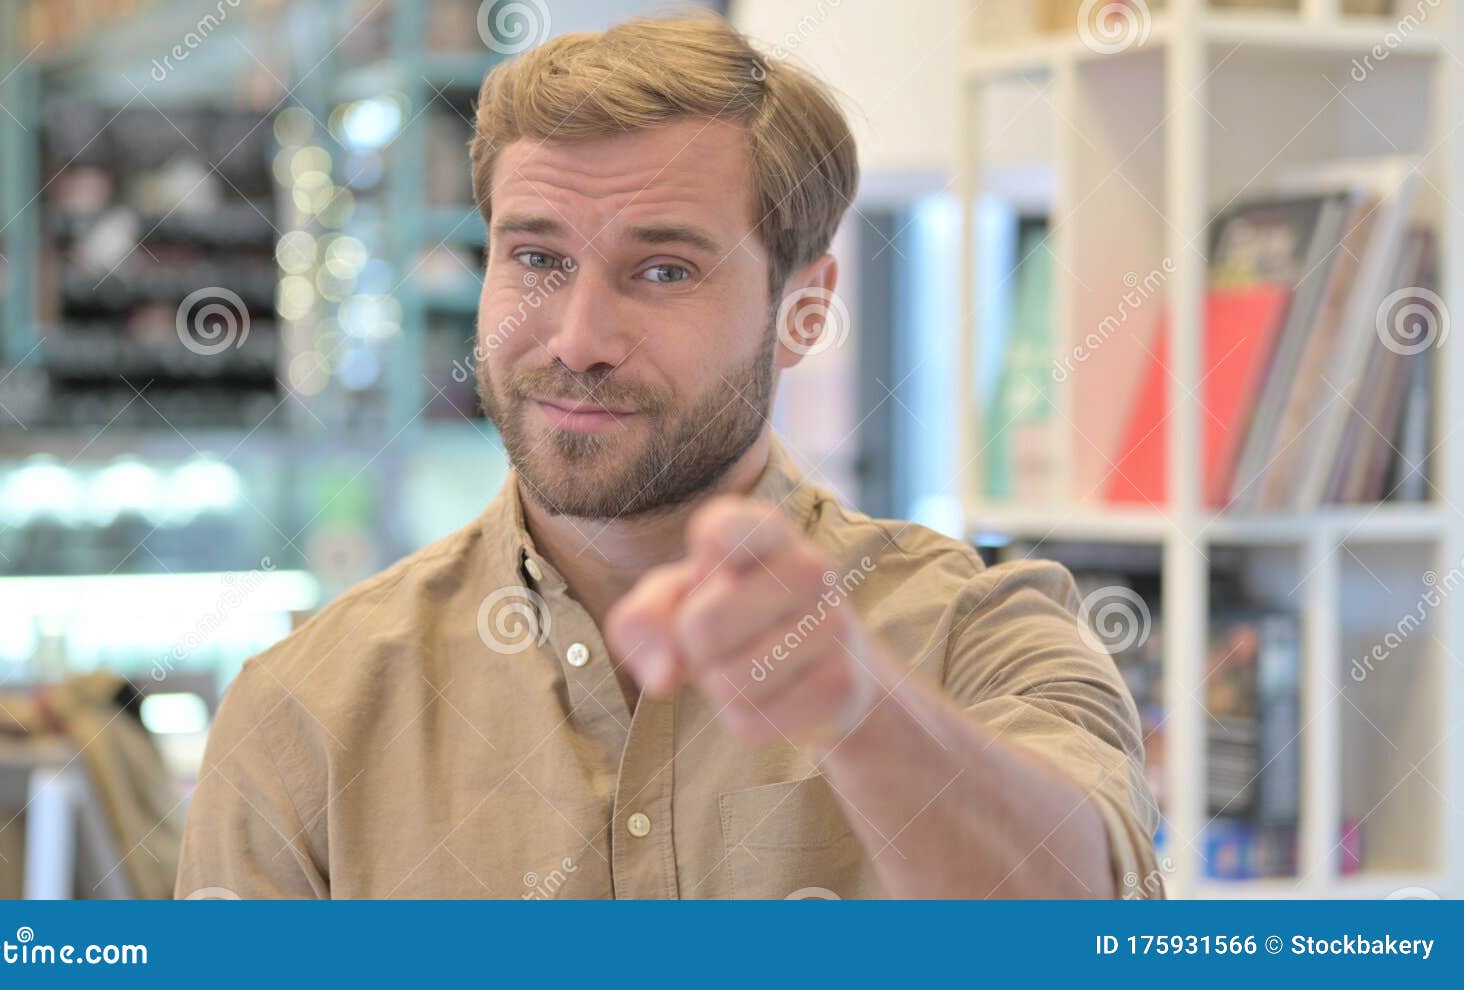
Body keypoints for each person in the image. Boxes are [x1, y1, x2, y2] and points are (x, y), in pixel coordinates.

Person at [175, 12, 1158, 900]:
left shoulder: (975, 639)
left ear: (802, 310)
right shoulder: (305, 713)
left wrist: (864, 716)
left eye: (663, 269)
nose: (576, 337)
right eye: (537, 258)